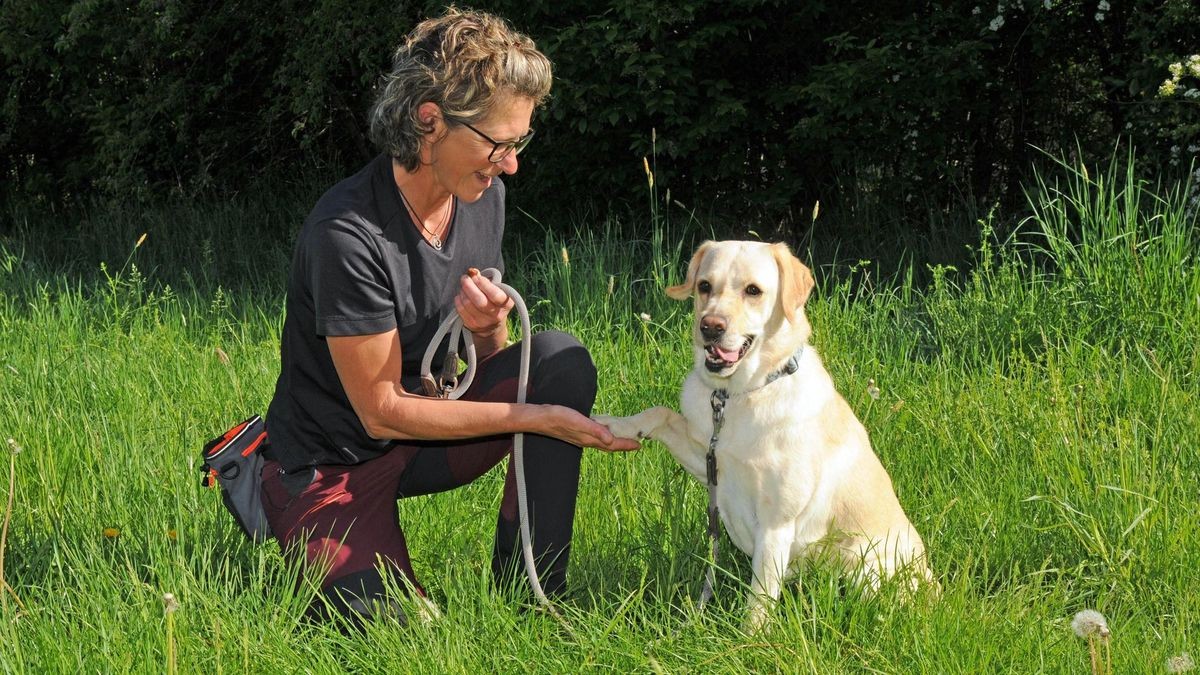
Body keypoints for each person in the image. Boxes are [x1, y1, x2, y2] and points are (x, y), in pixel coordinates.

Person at [260, 7, 638, 624]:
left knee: (557, 360)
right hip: (332, 465)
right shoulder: (346, 233)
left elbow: (486, 367)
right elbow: (380, 411)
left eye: (519, 143)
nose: (511, 163)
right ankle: (290, 511)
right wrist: (537, 418)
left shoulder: (483, 198)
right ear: (429, 121)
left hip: (425, 436)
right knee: (410, 635)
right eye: (498, 143)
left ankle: (533, 596)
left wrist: (490, 331)